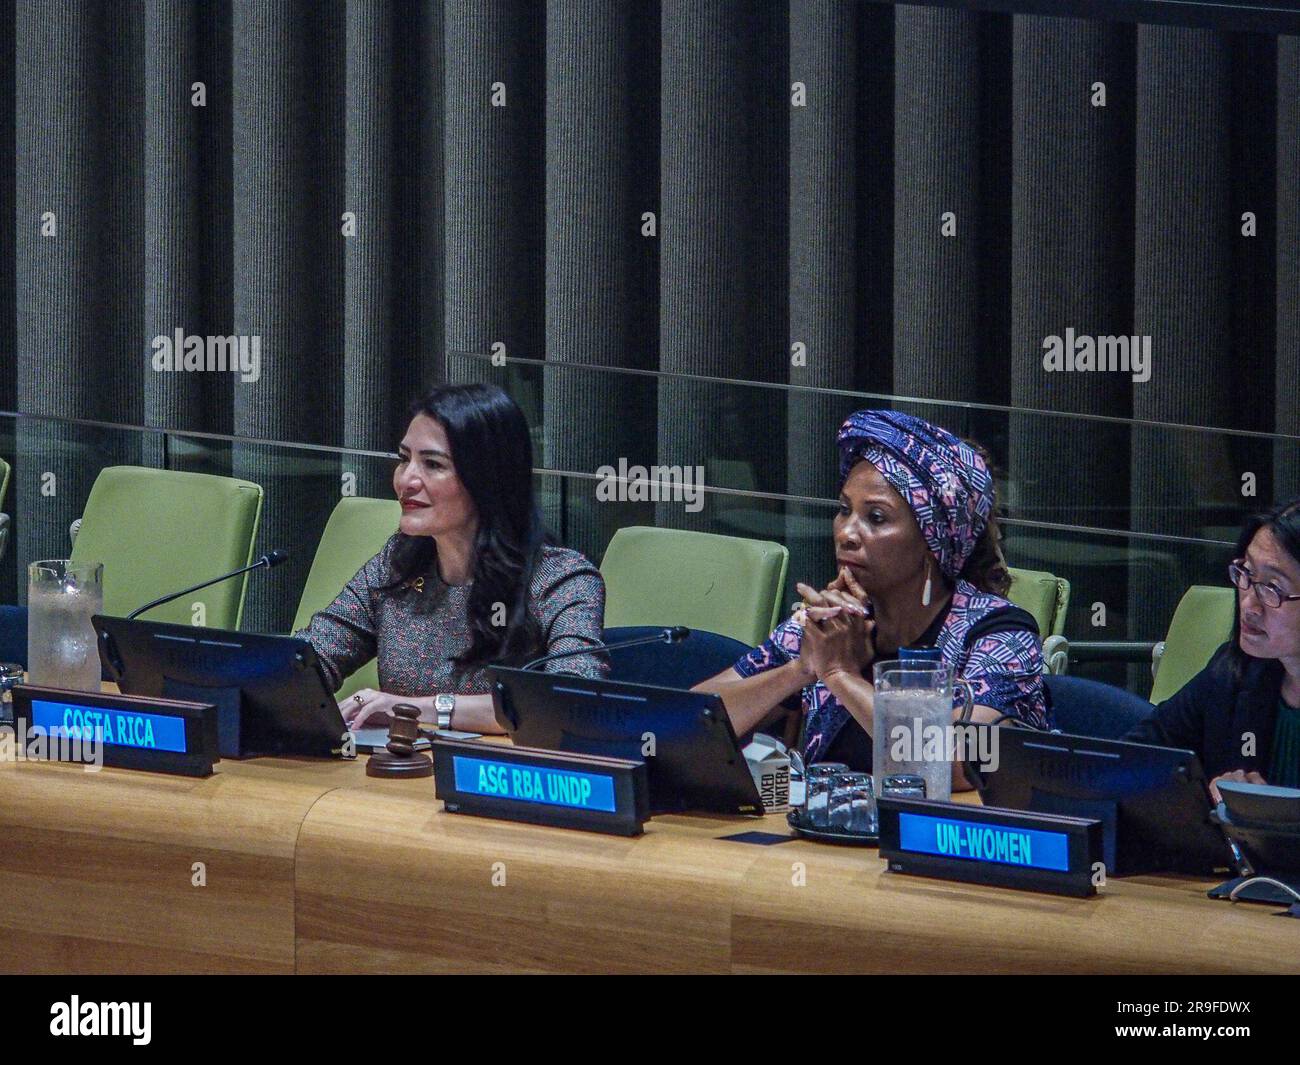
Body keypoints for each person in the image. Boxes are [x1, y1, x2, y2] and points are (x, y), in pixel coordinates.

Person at [694, 410, 1049, 787]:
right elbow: (693, 722)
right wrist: (800, 670)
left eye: (876, 518)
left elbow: (963, 762)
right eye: (844, 510)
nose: (846, 533)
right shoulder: (830, 624)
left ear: (932, 544)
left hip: (936, 839)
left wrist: (840, 675)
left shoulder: (1000, 634)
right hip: (825, 837)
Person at [299, 382, 607, 735]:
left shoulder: (560, 580)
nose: (406, 480)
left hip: (498, 780)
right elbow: (309, 659)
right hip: (397, 777)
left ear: (487, 478)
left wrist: (420, 709)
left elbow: (572, 702)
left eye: (432, 464)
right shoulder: (397, 565)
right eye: (404, 459)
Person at [1124, 498, 1300, 800]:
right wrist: (1200, 797)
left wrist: (1273, 819)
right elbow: (1132, 761)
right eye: (1246, 574)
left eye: (1273, 587)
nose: (1248, 604)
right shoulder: (1235, 674)